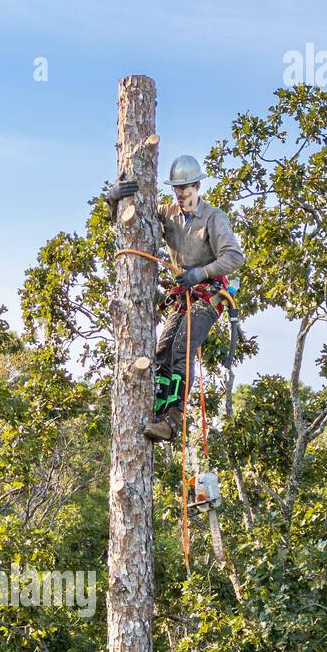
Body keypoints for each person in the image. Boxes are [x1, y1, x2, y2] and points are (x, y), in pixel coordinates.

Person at [106, 155, 244, 443]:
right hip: (184, 295)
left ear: (196, 185)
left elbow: (234, 257)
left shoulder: (213, 217)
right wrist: (113, 201)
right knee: (162, 351)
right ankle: (157, 410)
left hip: (210, 294)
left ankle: (174, 420)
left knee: (182, 349)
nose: (180, 194)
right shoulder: (166, 214)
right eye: (176, 189)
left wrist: (201, 272)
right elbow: (131, 226)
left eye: (185, 188)